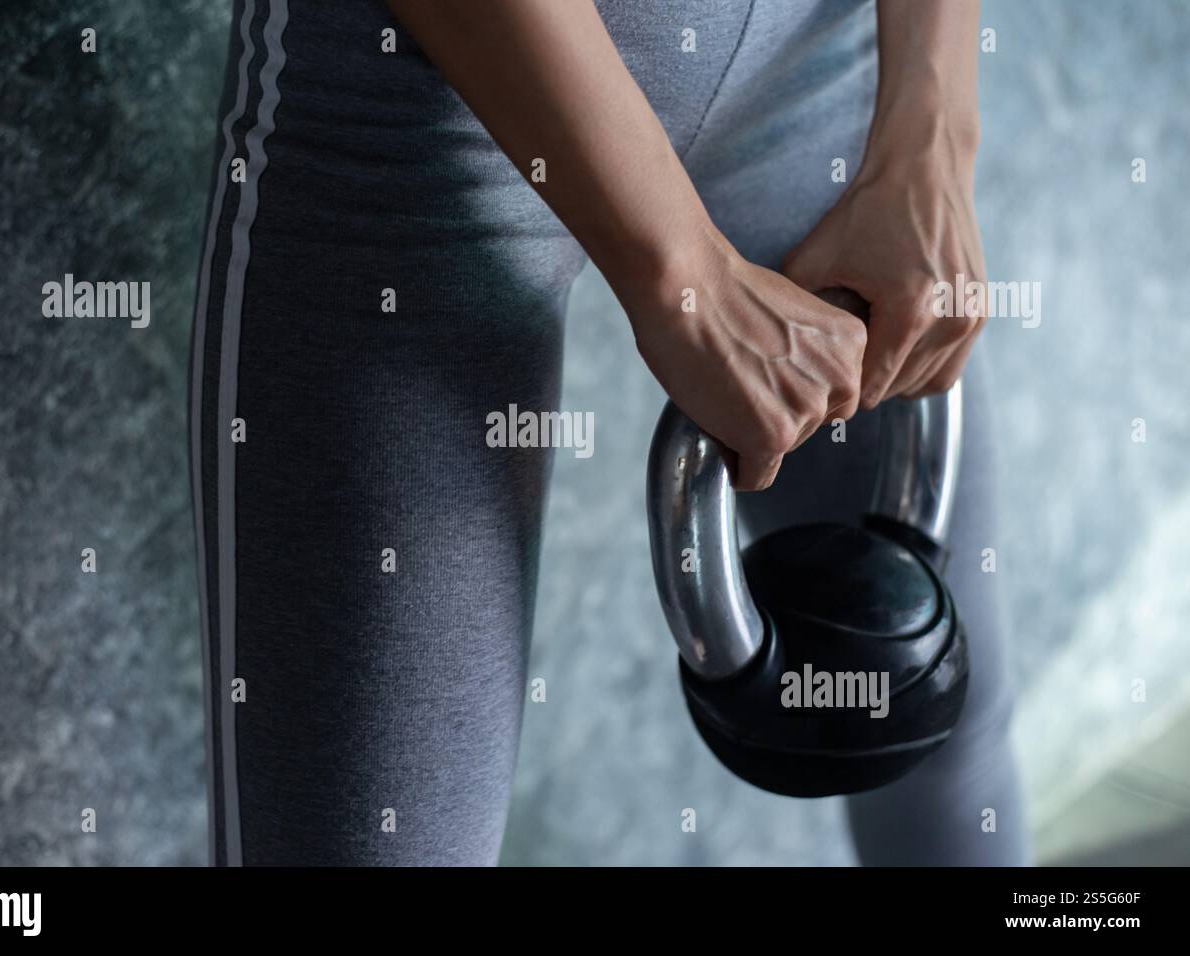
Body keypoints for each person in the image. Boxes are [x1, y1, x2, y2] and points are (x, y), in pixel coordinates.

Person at [189, 0, 1029, 865]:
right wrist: (678, 269)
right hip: (427, 111)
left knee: (944, 728)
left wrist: (931, 142)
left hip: (817, 65)